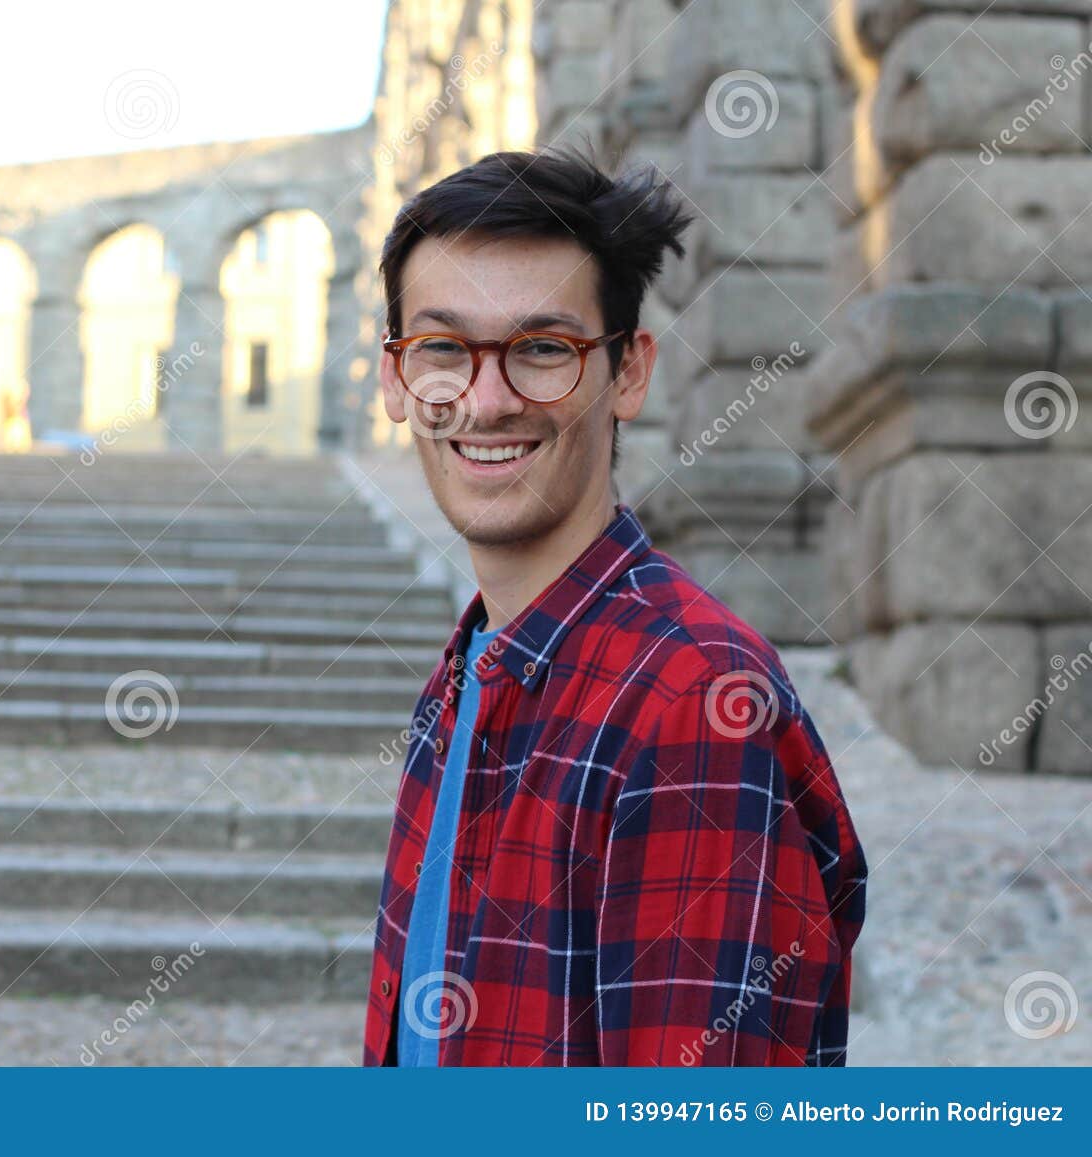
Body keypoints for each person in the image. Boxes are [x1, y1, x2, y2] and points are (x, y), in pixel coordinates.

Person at [361, 149, 867, 1067]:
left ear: (628, 373)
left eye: (543, 350)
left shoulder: (693, 706)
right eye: (441, 349)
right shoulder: (465, 676)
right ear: (397, 380)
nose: (484, 399)